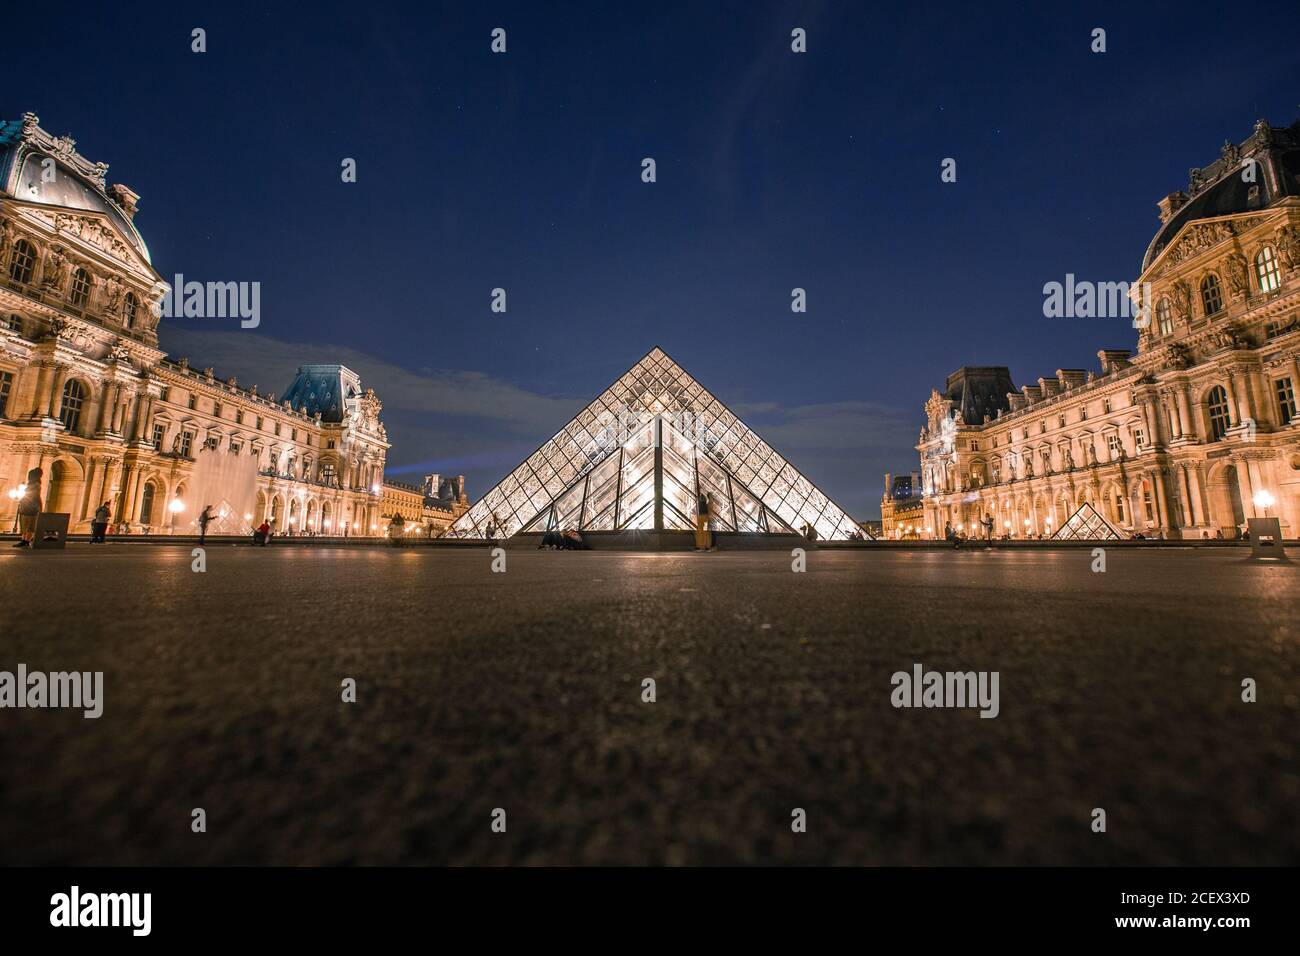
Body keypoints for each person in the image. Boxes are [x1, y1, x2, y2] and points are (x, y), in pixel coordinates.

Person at [14, 468, 42, 548]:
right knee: (27, 525)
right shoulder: (34, 484)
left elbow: (34, 496)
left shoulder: (35, 485)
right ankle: (24, 540)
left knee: (28, 525)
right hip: (29, 507)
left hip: (29, 508)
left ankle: (26, 540)